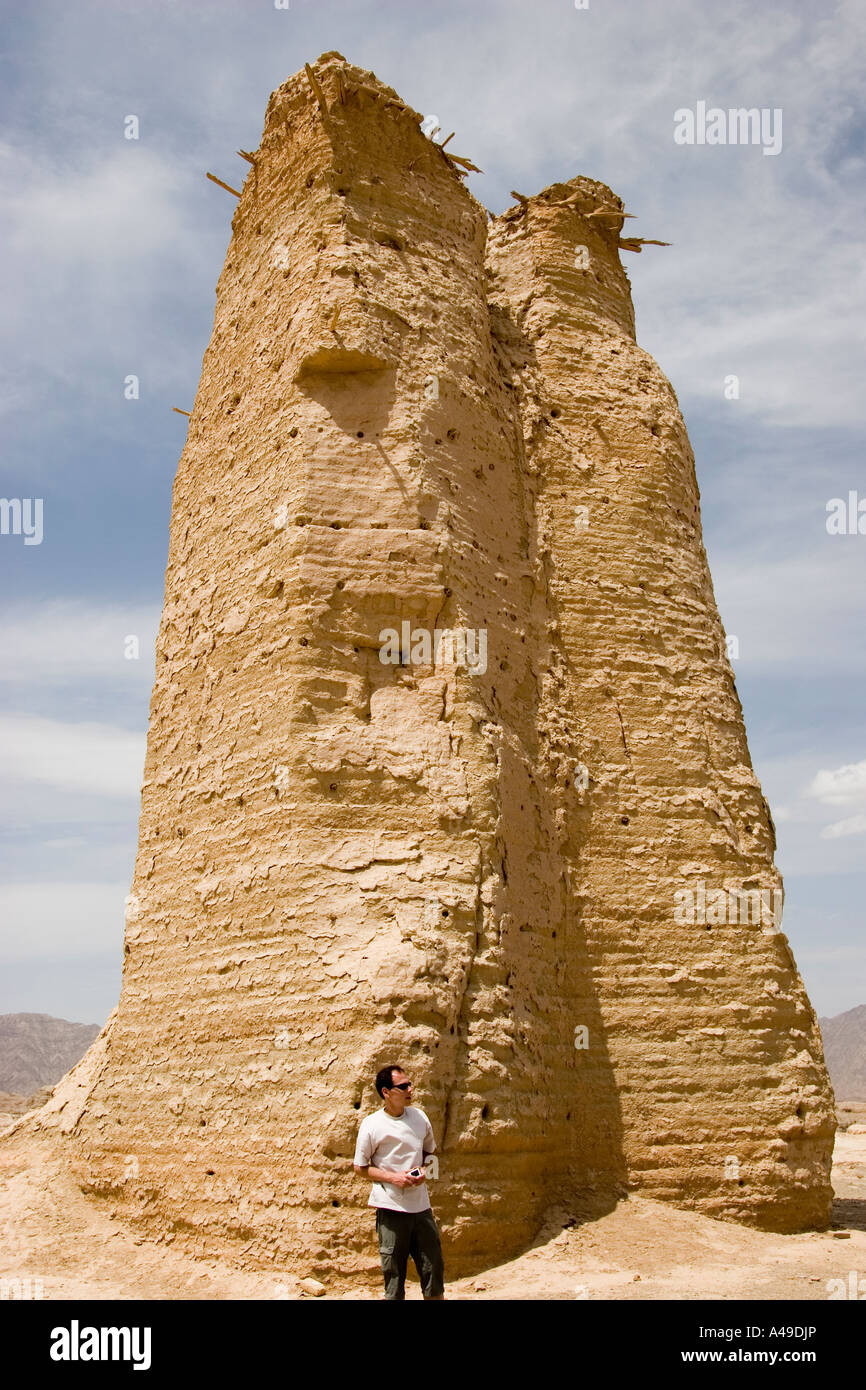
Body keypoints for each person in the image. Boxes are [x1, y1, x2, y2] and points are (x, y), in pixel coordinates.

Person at [353, 1064, 445, 1300]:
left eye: (409, 1084)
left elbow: (432, 1154)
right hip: (391, 1209)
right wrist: (393, 1178)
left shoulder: (419, 1117)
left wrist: (426, 1172)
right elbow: (360, 1168)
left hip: (422, 1209)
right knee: (394, 1284)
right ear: (386, 1092)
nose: (410, 1089)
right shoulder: (372, 1124)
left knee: (434, 1277)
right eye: (403, 1086)